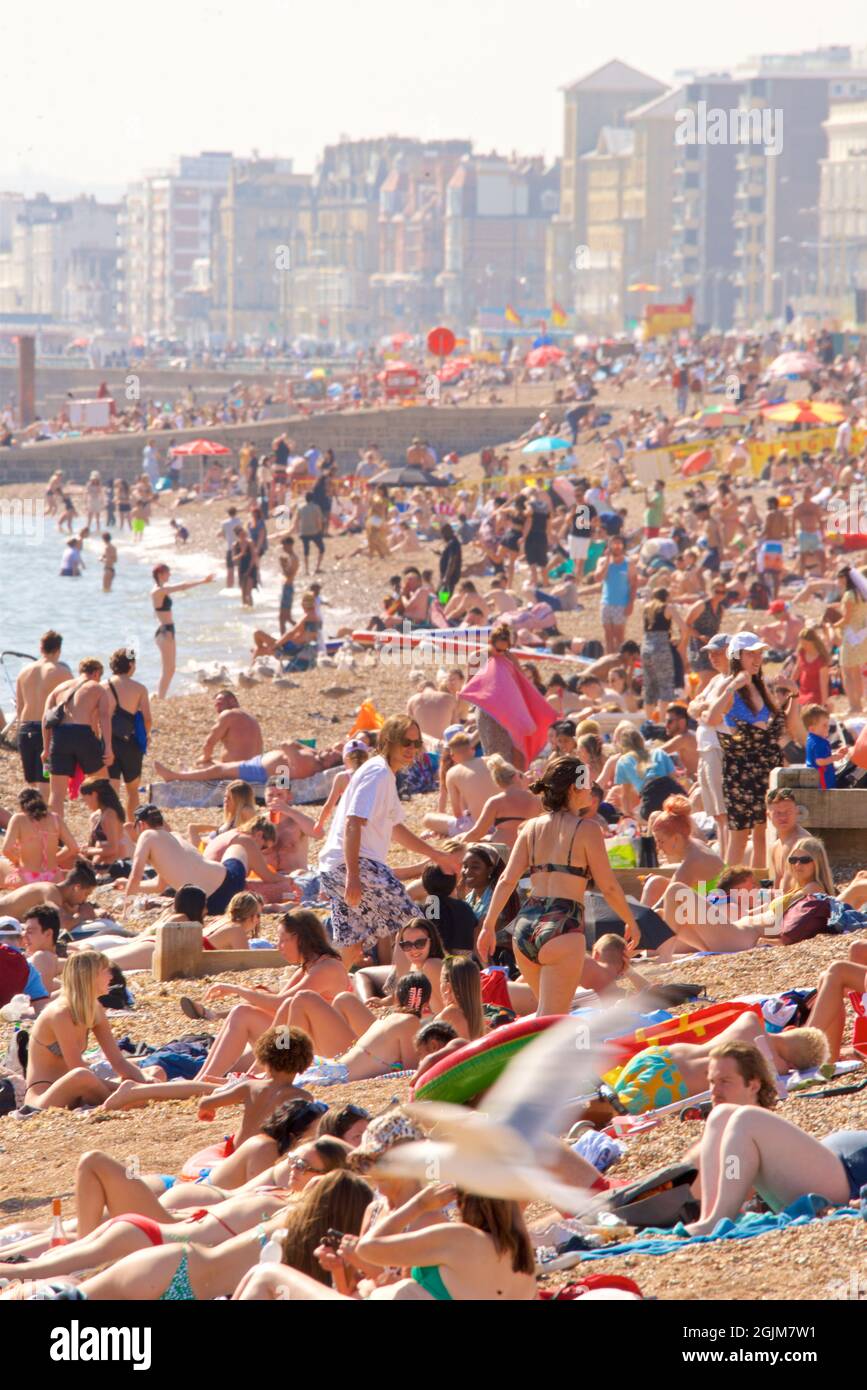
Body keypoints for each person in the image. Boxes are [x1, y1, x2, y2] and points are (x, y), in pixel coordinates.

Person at [478, 756, 639, 1014]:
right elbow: (608, 886)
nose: (592, 786)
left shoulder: (530, 828)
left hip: (526, 927)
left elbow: (507, 880)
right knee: (553, 1019)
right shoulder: (587, 829)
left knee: (544, 1015)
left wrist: (488, 926)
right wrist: (630, 920)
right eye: (587, 782)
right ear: (573, 789)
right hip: (563, 923)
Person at [317, 715, 461, 968]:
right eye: (405, 742)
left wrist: (436, 855)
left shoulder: (384, 774)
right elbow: (353, 822)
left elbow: (395, 828)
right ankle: (404, 990)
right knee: (414, 926)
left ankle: (314, 992)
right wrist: (352, 875)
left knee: (350, 946)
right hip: (355, 865)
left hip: (335, 866)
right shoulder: (378, 773)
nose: (411, 749)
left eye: (416, 744)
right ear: (388, 740)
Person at [187, 911, 349, 1077]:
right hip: (303, 1039)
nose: (279, 947)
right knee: (241, 1012)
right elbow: (280, 1009)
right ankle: (203, 1078)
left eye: (282, 940)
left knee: (243, 1015)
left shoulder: (327, 967)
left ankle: (207, 1080)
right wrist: (255, 995)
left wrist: (237, 989)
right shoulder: (310, 966)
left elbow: (279, 1004)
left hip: (322, 1049)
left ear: (300, 938)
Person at [685, 1109, 867, 1236]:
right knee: (721, 1115)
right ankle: (708, 1216)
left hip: (843, 1180)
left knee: (747, 1120)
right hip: (828, 1169)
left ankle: (719, 1218)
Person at [22, 951, 153, 1112]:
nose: (111, 976)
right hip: (44, 1097)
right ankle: (125, 1099)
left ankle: (133, 1096)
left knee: (154, 1072)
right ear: (90, 976)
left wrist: (143, 1082)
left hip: (79, 1092)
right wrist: (124, 1087)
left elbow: (119, 1062)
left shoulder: (94, 1008)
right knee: (81, 1076)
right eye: (106, 970)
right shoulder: (60, 1013)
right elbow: (78, 1070)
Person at [118, 804, 248, 921]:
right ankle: (249, 895)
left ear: (141, 825)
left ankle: (248, 898)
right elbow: (159, 886)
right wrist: (128, 885)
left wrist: (126, 914)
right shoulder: (175, 837)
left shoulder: (147, 835)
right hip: (231, 882)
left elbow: (135, 876)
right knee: (237, 848)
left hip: (210, 903)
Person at [42, 658, 112, 815]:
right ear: (95, 673)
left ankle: (56, 837)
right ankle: (105, 830)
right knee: (103, 785)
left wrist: (46, 748)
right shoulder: (97, 687)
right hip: (83, 734)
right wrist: (108, 747)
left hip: (60, 737)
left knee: (57, 793)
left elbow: (46, 719)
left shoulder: (59, 688)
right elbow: (104, 717)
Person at [15, 631, 71, 789]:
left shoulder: (24, 672)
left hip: (25, 730)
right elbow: (74, 701)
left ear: (41, 649)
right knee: (45, 781)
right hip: (45, 731)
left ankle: (32, 812)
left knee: (31, 782)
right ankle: (41, 813)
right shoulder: (61, 672)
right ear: (58, 650)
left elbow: (19, 706)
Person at [151, 562, 215, 701]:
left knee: (171, 668)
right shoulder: (158, 591)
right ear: (160, 574)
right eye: (168, 572)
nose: (170, 574)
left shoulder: (161, 590)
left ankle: (160, 696)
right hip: (165, 631)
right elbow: (182, 586)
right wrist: (203, 581)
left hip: (168, 630)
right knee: (168, 669)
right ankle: (160, 698)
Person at [105, 648, 151, 820]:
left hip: (108, 741)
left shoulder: (103, 686)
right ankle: (131, 828)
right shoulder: (139, 688)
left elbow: (96, 716)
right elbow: (147, 718)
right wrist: (145, 735)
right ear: (131, 664)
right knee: (132, 789)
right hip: (130, 743)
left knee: (111, 788)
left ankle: (111, 827)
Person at [422, 732, 497, 838]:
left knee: (428, 819)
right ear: (472, 750)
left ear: (452, 756)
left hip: (476, 827)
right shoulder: (491, 761)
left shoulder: (452, 773)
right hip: (502, 823)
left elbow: (458, 814)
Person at [0, 789, 77, 886]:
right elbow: (74, 848)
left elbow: (6, 850)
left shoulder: (19, 819)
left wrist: (16, 861)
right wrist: (55, 859)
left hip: (28, 878)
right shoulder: (55, 818)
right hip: (54, 877)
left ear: (21, 805)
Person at [197, 690, 264, 766]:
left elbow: (209, 743)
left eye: (220, 703)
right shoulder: (251, 718)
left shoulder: (229, 714)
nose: (217, 707)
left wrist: (205, 758)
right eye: (216, 705)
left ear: (232, 701)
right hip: (256, 768)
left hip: (237, 769)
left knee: (201, 763)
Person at [596, 535, 637, 655]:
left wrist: (631, 603)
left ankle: (621, 662)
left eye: (619, 544)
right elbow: (598, 578)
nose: (617, 547)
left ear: (623, 546)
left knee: (619, 636)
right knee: (608, 636)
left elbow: (634, 584)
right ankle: (610, 662)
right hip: (606, 603)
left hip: (621, 604)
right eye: (614, 544)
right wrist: (607, 561)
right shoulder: (603, 561)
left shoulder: (629, 564)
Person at [837, 565, 867, 714]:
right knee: (858, 672)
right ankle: (860, 703)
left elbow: (846, 618)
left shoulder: (849, 595)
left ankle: (854, 705)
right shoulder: (862, 593)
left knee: (848, 671)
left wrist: (833, 624)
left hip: (851, 637)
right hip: (863, 635)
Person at [20, 904, 63, 998]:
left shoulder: (41, 959)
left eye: (30, 932)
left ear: (48, 933)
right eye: (24, 931)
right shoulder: (43, 957)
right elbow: (41, 1003)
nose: (24, 936)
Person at [803, 704, 844, 790]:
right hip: (822, 780)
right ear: (812, 729)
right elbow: (820, 761)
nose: (828, 728)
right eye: (824, 725)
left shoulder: (811, 739)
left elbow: (821, 756)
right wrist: (834, 758)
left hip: (815, 778)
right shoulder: (819, 742)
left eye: (828, 725)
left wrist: (835, 754)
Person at [296, 491, 326, 576]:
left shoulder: (301, 508)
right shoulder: (316, 507)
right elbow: (319, 520)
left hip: (304, 532)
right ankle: (317, 568)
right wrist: (320, 530)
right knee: (322, 549)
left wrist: (299, 531)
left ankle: (306, 570)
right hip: (314, 532)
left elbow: (297, 521)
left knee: (306, 551)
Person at [279, 536, 300, 632]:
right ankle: (283, 638)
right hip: (287, 587)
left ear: (289, 545)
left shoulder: (293, 558)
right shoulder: (291, 557)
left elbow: (290, 574)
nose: (283, 548)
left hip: (288, 587)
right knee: (283, 618)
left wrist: (283, 565)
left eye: (284, 545)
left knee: (285, 617)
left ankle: (302, 631)